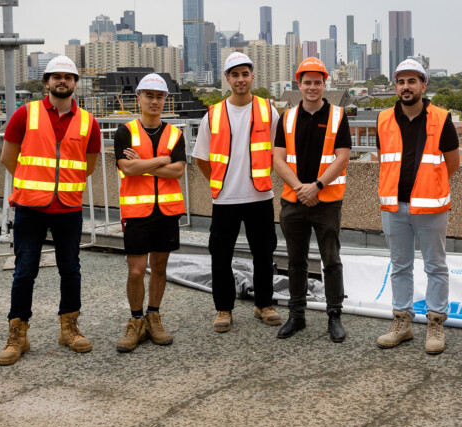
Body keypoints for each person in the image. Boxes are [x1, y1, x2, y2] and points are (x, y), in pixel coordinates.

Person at [0, 55, 101, 365]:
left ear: (75, 84)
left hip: (67, 207)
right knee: (24, 271)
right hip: (30, 207)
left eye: (68, 77)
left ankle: (68, 329)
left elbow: (89, 165)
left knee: (70, 269)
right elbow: (7, 157)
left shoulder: (88, 121)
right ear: (46, 83)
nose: (62, 81)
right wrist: (34, 184)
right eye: (56, 76)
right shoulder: (25, 114)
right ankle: (18, 334)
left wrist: (62, 186)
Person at [375, 59, 460, 355]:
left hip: (431, 208)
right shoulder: (383, 119)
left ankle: (435, 322)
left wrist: (430, 186)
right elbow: (385, 158)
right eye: (401, 81)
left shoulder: (441, 118)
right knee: (400, 267)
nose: (406, 87)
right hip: (394, 207)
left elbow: (453, 162)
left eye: (412, 81)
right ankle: (402, 321)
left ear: (423, 85)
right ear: (395, 86)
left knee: (435, 266)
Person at [193, 52, 282, 333]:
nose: (241, 79)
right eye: (235, 75)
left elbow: (278, 153)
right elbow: (201, 158)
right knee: (220, 256)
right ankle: (224, 309)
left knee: (264, 253)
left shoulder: (269, 110)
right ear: (227, 79)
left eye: (245, 74)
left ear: (252, 77)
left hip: (260, 196)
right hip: (225, 199)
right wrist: (221, 181)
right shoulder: (213, 114)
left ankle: (264, 304)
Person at [272, 57, 352, 342]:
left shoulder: (337, 116)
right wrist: (299, 189)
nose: (312, 87)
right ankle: (297, 316)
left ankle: (334, 315)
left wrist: (316, 186)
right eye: (307, 82)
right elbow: (278, 159)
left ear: (324, 84)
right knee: (296, 261)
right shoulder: (288, 117)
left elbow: (342, 158)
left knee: (331, 260)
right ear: (299, 84)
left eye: (317, 82)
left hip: (327, 200)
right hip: (294, 201)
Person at [114, 74, 186, 352]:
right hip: (136, 211)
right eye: (149, 96)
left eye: (159, 96)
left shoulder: (174, 133)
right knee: (135, 271)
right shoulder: (125, 131)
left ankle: (153, 315)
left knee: (159, 268)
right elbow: (127, 168)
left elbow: (178, 170)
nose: (154, 101)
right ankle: (135, 321)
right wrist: (160, 161)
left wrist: (142, 163)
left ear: (165, 100)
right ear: (139, 99)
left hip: (166, 211)